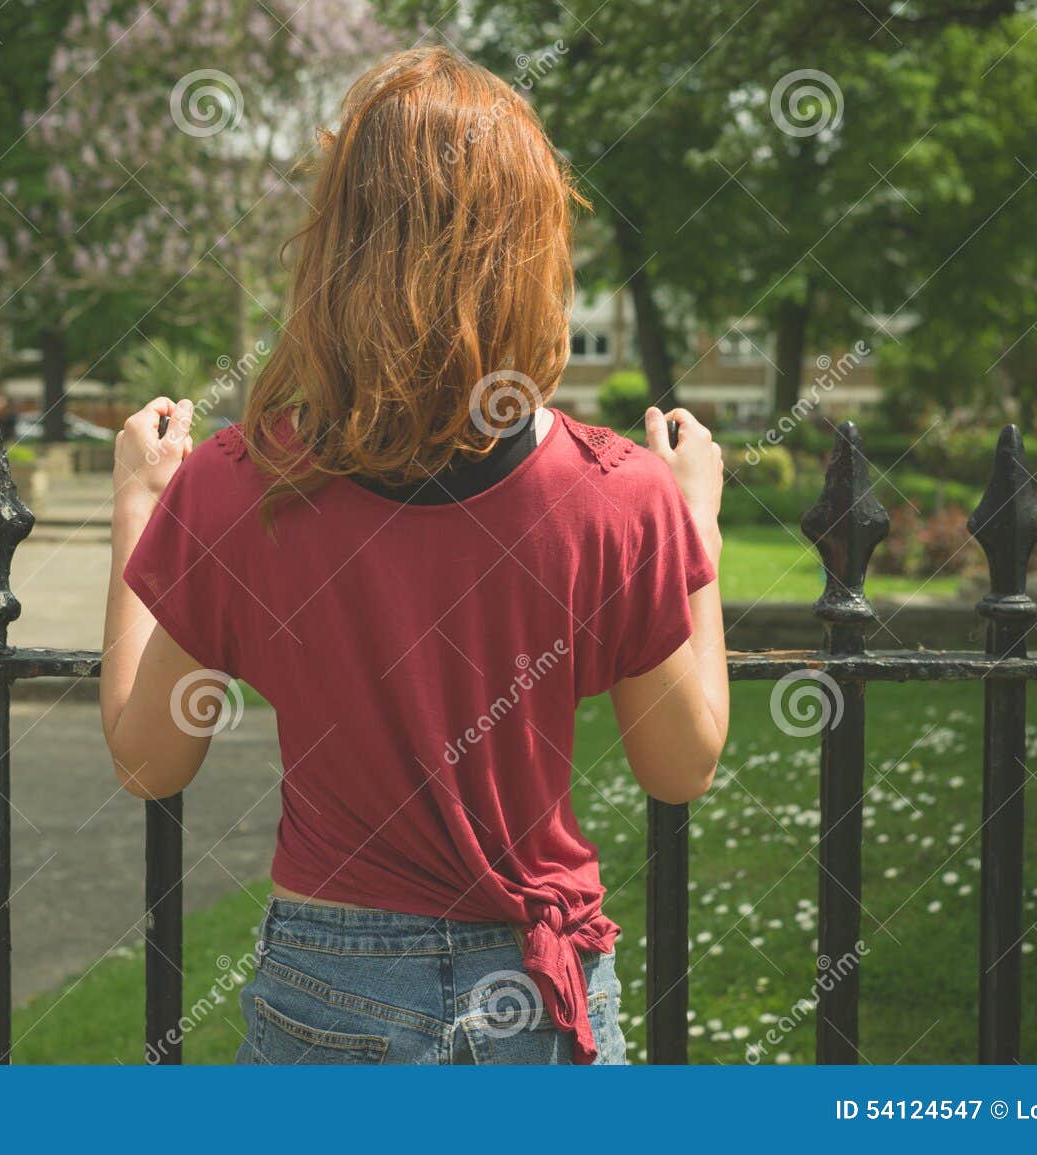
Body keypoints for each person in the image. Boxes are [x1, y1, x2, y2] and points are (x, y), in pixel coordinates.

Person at [101, 47, 728, 1066]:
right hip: (537, 1000)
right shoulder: (619, 496)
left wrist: (140, 503)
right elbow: (681, 764)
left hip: (327, 984)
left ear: (336, 245)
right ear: (534, 252)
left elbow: (147, 757)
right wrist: (694, 522)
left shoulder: (238, 484)